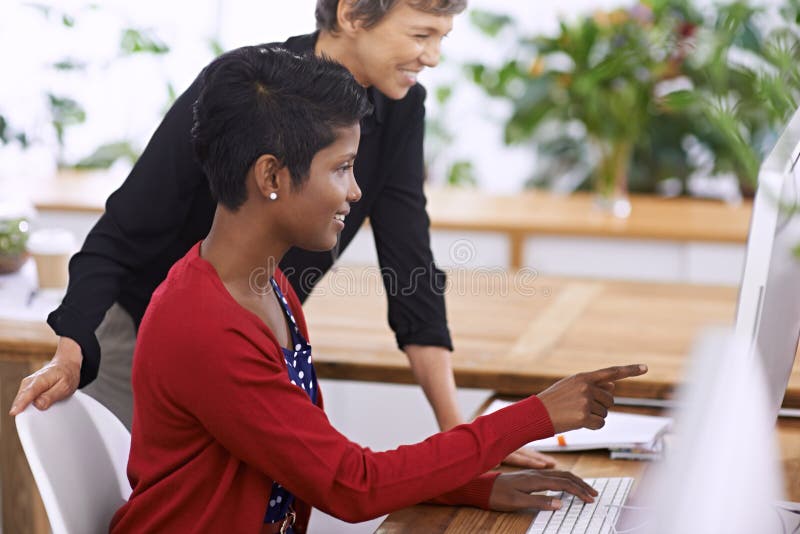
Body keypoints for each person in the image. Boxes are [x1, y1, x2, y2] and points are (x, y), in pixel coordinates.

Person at [110, 45, 647, 533]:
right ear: (271, 177)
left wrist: (475, 486)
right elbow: (350, 484)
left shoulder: (267, 285)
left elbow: (317, 465)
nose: (356, 191)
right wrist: (535, 415)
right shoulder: (205, 322)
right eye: (341, 168)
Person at [10, 0, 557, 469]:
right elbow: (120, 233)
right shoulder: (247, 89)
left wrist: (456, 430)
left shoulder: (400, 106)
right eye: (421, 34)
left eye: (441, 37)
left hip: (257, 342)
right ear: (351, 13)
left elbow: (410, 266)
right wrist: (72, 344)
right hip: (146, 333)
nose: (433, 56)